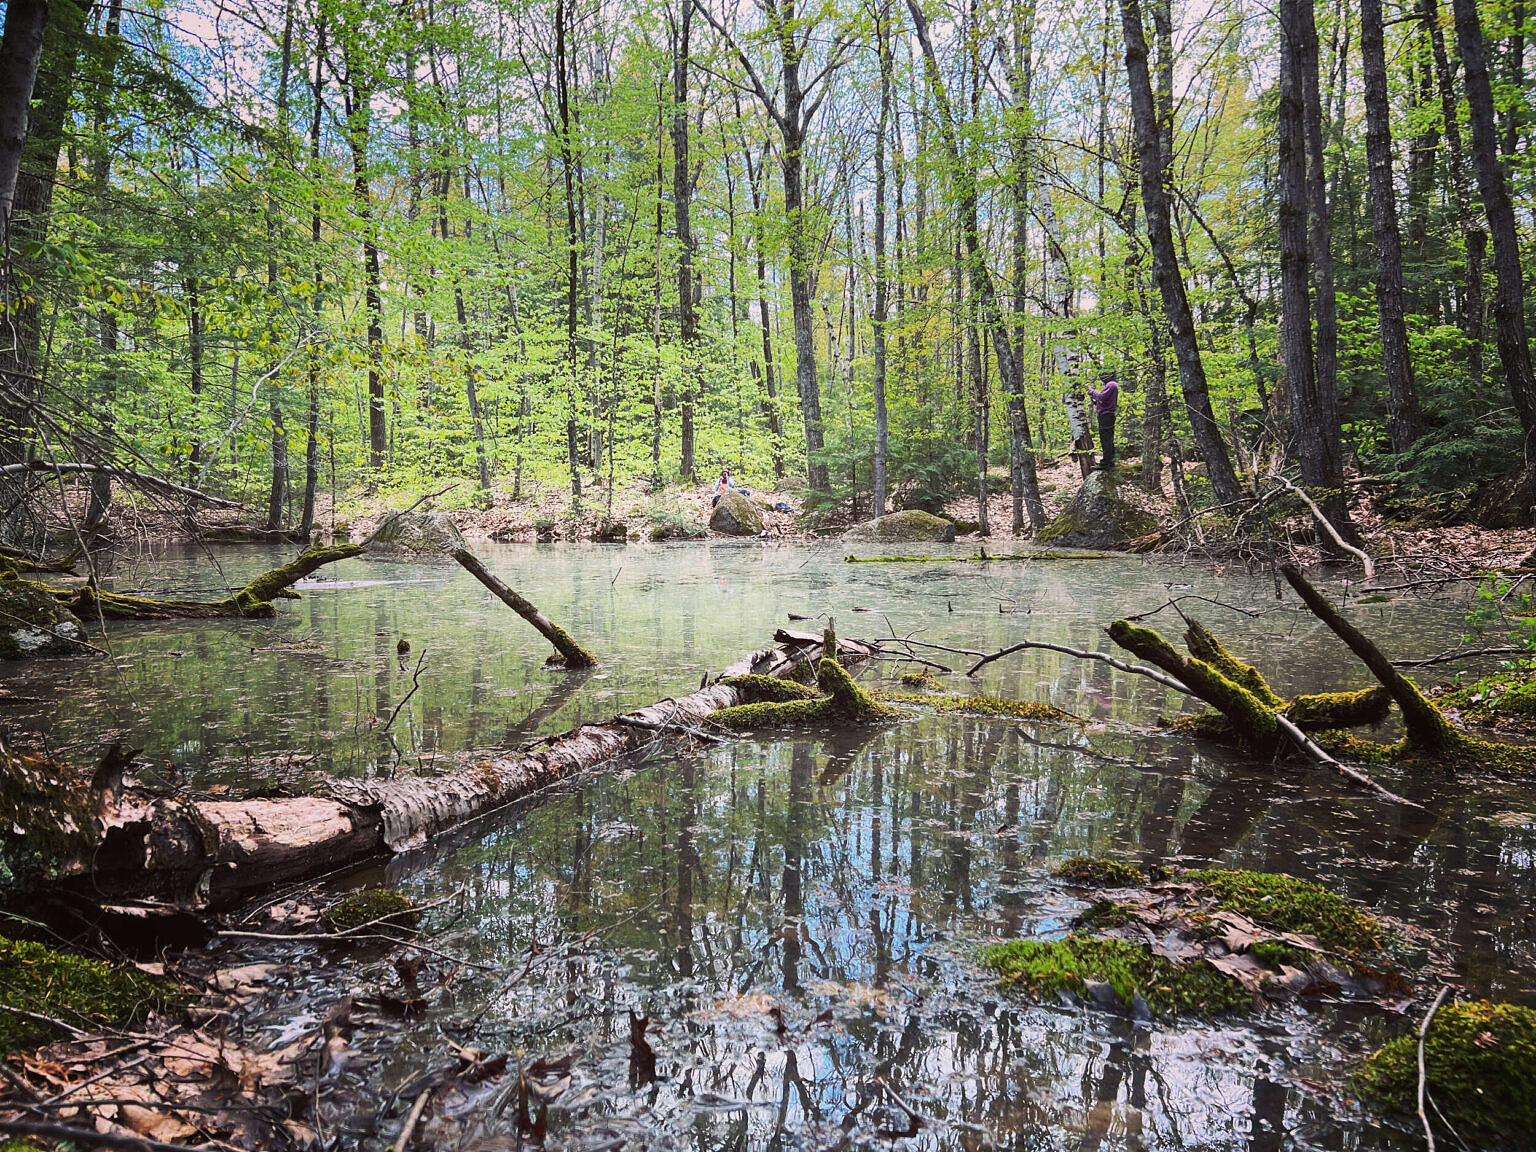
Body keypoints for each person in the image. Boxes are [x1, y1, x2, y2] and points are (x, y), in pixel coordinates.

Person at [1087, 375, 1120, 470]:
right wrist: (1092, 397)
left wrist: (1091, 391)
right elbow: (1100, 401)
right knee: (1106, 439)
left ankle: (1106, 463)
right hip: (1105, 415)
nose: (1102, 377)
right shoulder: (1110, 385)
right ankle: (1110, 462)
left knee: (1106, 439)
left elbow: (1101, 397)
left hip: (1106, 416)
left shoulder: (1112, 384)